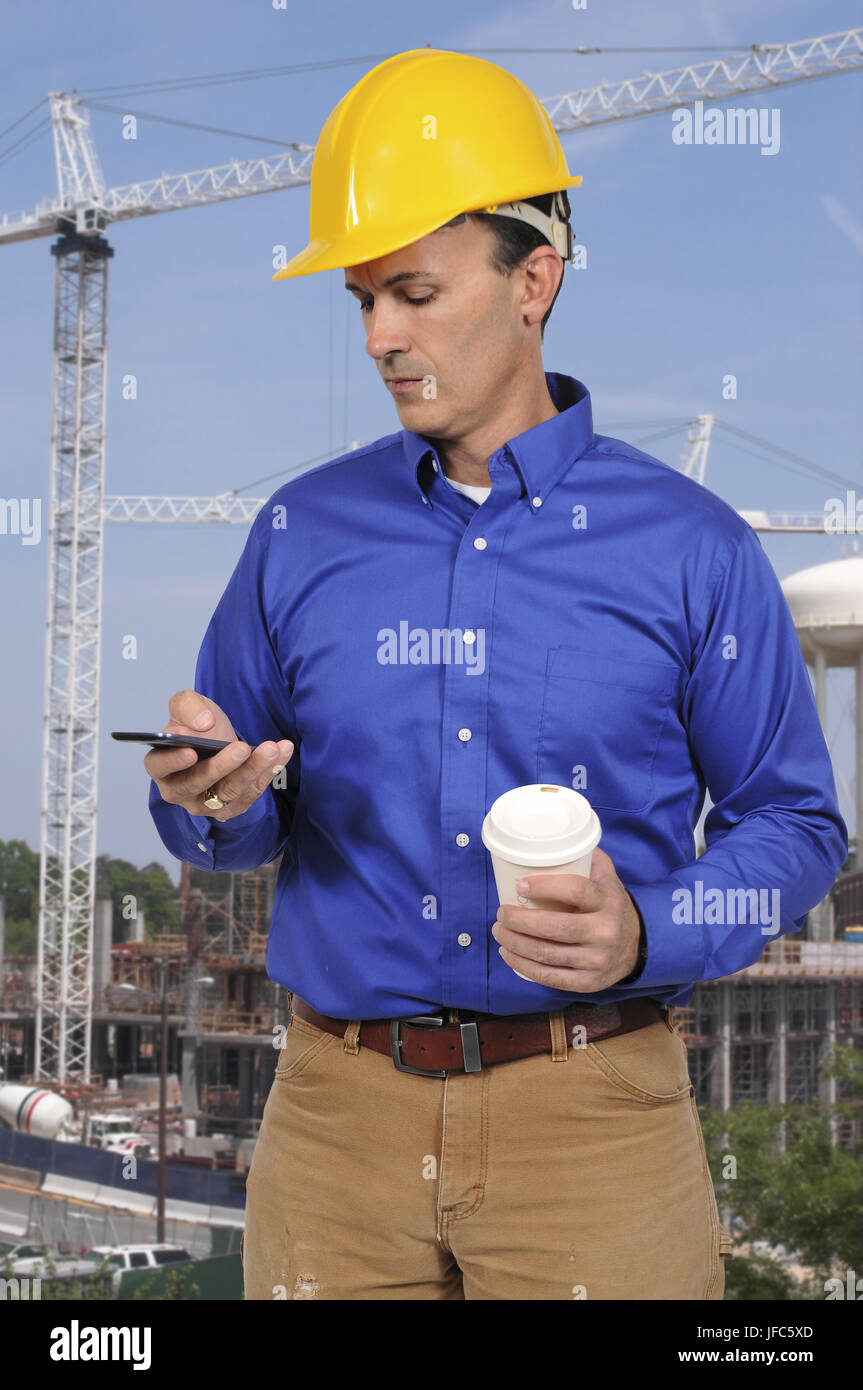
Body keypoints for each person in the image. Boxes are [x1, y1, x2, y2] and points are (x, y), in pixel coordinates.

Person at [146, 49, 847, 1301]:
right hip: (331, 1132)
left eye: (411, 292)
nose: (377, 336)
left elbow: (792, 822)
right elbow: (221, 823)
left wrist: (648, 928)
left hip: (593, 1122)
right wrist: (212, 802)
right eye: (359, 301)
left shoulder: (692, 546)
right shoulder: (299, 534)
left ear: (535, 280)